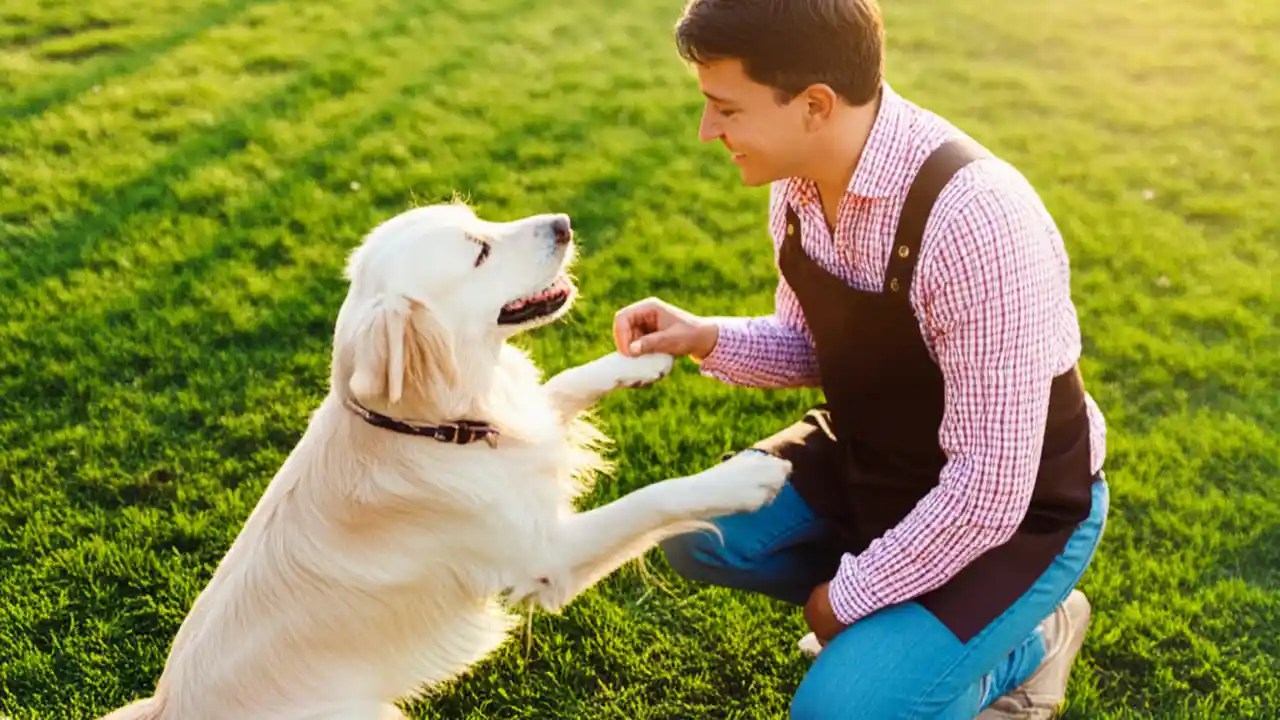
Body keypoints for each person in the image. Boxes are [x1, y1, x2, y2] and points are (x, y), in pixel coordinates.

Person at [610, 1, 1110, 718]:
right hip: (878, 459)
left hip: (1018, 511)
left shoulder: (978, 221)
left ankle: (1036, 641)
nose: (707, 131)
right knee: (696, 533)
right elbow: (818, 345)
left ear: (815, 104)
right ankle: (901, 633)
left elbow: (989, 489)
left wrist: (846, 599)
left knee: (836, 712)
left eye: (726, 108)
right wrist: (704, 337)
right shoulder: (800, 177)